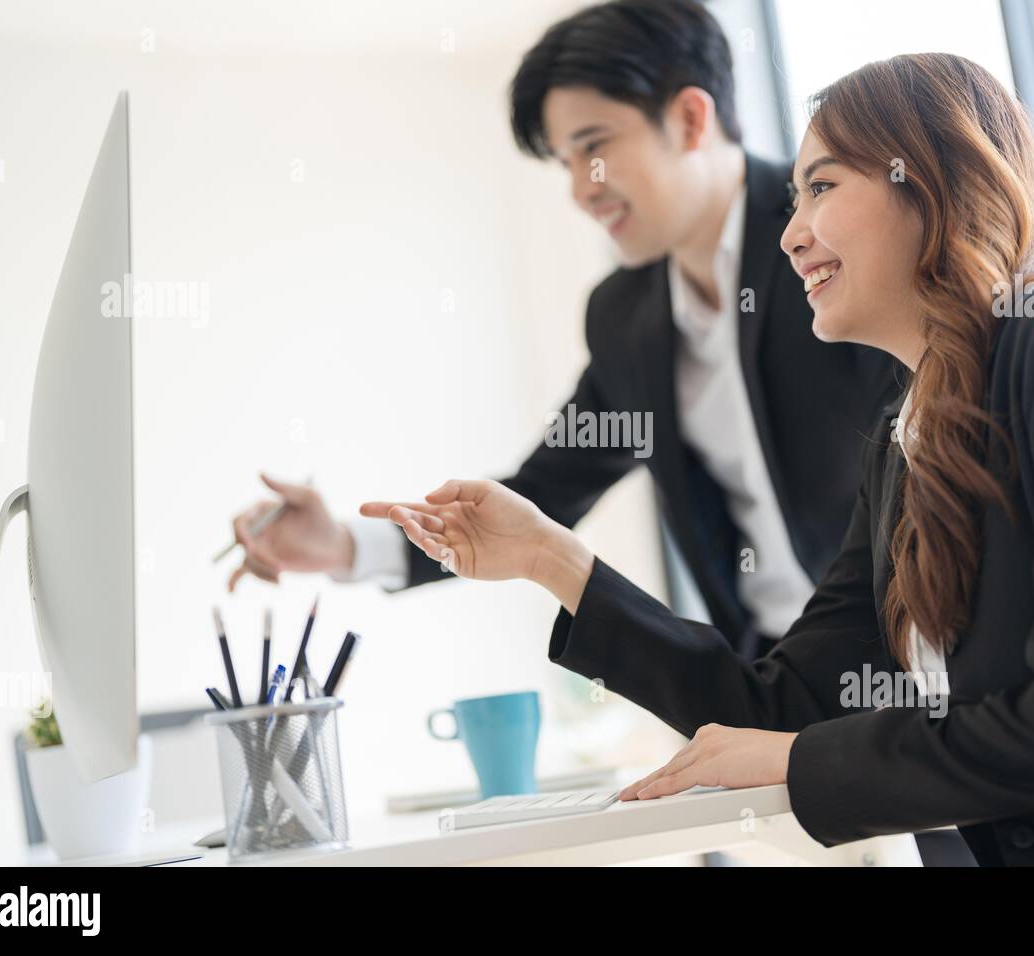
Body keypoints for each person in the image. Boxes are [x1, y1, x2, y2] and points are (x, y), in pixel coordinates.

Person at [363, 53, 1034, 865]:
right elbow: (778, 710)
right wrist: (553, 559)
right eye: (792, 200)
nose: (793, 235)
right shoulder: (905, 448)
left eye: (822, 186)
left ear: (930, 181)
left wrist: (799, 759)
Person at [227, 0, 898, 663]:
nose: (583, 190)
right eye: (564, 163)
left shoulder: (833, 228)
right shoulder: (625, 315)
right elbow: (546, 487)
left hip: (915, 661)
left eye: (594, 148)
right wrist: (347, 546)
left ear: (691, 118)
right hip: (781, 678)